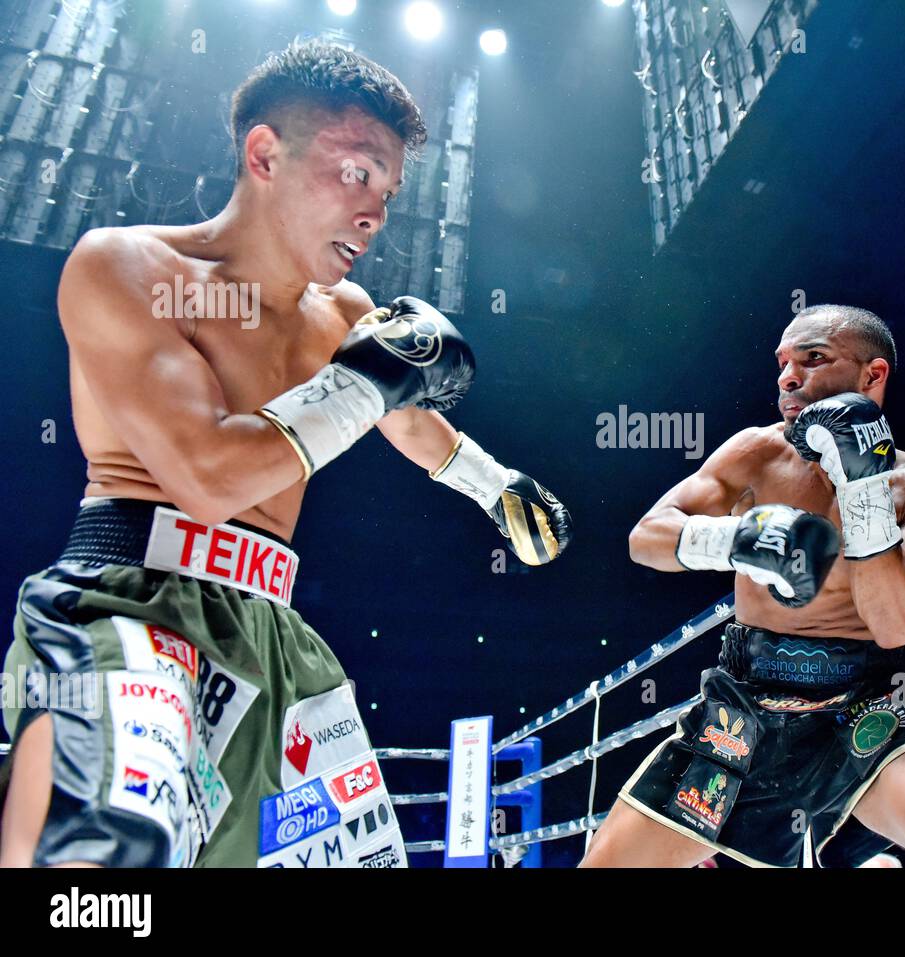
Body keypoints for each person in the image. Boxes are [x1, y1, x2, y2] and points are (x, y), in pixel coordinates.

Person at [0, 39, 570, 868]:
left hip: (276, 637)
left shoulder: (347, 315)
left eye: (388, 190)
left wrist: (498, 487)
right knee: (109, 852)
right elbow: (207, 476)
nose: (376, 212)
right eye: (357, 172)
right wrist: (368, 384)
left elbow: (408, 419)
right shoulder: (130, 266)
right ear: (264, 153)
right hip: (133, 603)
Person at [581, 304, 905, 868]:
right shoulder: (757, 452)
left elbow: (895, 624)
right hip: (743, 712)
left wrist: (863, 490)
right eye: (784, 363)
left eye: (814, 359)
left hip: (865, 710)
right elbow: (646, 537)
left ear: (872, 376)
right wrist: (744, 538)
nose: (789, 377)